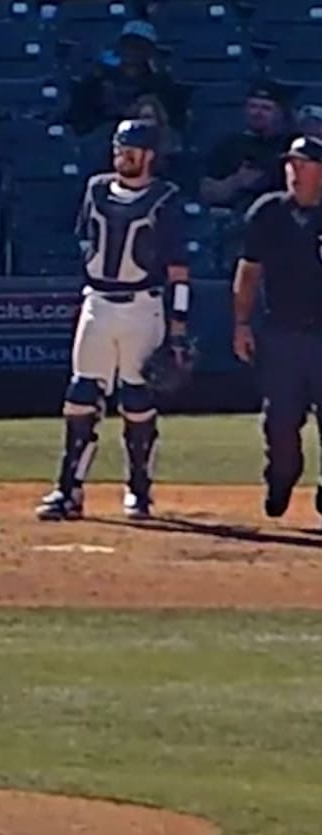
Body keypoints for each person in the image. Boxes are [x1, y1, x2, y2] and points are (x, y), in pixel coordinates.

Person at [36, 119, 190, 521]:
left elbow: (178, 270)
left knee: (137, 398)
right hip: (97, 302)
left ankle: (138, 490)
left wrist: (178, 326)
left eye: (131, 149)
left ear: (150, 155)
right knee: (81, 394)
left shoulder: (164, 197)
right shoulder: (97, 189)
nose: (123, 154)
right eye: (120, 147)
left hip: (143, 305)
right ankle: (68, 490)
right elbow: (85, 239)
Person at [230, 135, 322, 522]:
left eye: (303, 164)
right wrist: (241, 324)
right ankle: (282, 476)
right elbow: (249, 274)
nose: (293, 171)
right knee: (280, 422)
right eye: (290, 164)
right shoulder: (267, 212)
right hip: (281, 332)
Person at [63, 20, 185, 136]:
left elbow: (173, 125)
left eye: (139, 47)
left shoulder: (162, 85)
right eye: (128, 45)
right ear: (119, 47)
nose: (132, 51)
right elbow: (78, 119)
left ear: (150, 51)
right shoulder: (98, 80)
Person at [200, 79, 292, 209]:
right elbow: (206, 193)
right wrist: (237, 181)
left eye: (266, 108)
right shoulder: (228, 145)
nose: (257, 113)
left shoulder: (294, 146)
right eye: (253, 106)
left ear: (281, 113)